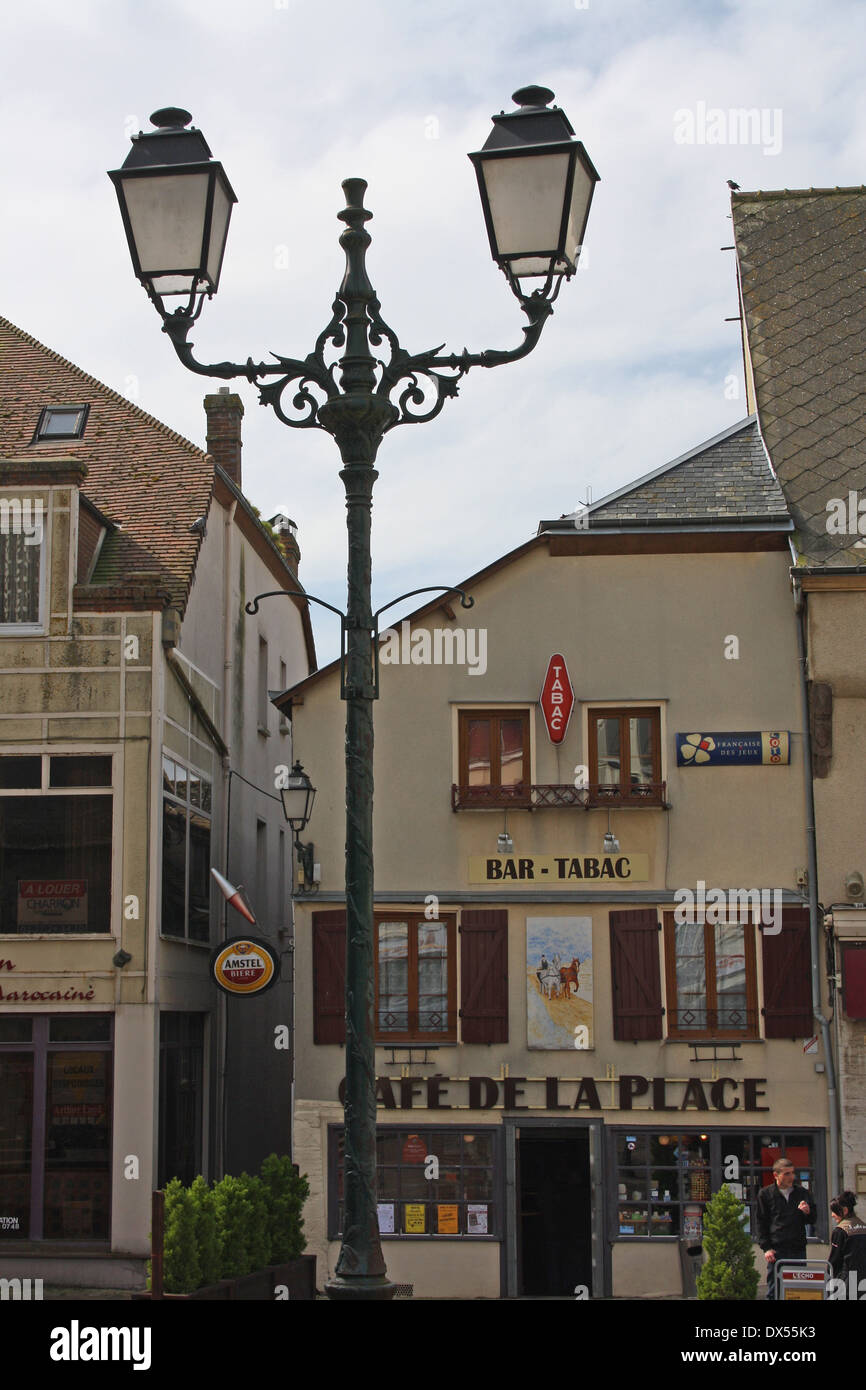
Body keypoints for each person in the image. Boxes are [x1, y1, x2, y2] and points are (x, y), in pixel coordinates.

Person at [755, 1156, 817, 1300]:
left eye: (792, 1173)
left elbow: (812, 1219)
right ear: (776, 1175)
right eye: (787, 1174)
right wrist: (766, 1248)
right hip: (777, 1248)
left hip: (797, 1247)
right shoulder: (766, 1194)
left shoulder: (801, 1193)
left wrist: (807, 1212)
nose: (791, 1177)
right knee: (774, 1289)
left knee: (797, 1289)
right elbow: (761, 1222)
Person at [829, 1191, 866, 1291]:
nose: (832, 1215)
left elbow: (834, 1260)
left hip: (847, 1281)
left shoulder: (840, 1230)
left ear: (844, 1210)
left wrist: (829, 1280)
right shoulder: (864, 1226)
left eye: (834, 1211)